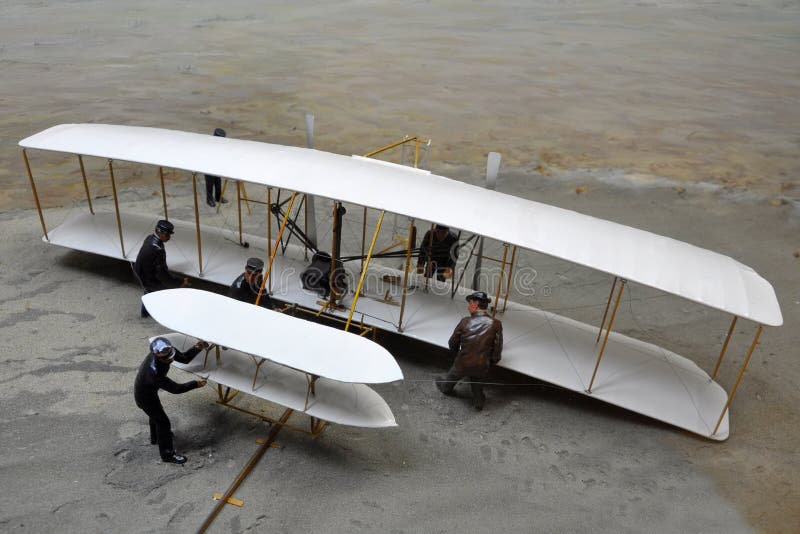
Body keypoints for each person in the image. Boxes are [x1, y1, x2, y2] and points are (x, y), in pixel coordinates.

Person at [134, 337, 209, 464]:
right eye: (168, 359)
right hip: (144, 397)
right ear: (158, 357)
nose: (172, 359)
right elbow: (175, 389)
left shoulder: (169, 352)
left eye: (172, 355)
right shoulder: (154, 372)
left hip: (150, 391)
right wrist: (194, 384)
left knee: (156, 415)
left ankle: (156, 438)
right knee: (163, 422)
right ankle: (167, 455)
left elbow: (184, 358)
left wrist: (197, 347)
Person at [435, 291, 503, 410]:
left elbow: (452, 343)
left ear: (475, 304)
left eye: (469, 303)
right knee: (477, 385)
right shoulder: (496, 324)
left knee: (447, 385)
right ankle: (478, 401)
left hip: (462, 363)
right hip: (481, 365)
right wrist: (491, 362)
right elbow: (497, 349)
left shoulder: (465, 322)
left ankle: (447, 388)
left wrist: (457, 355)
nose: (468, 307)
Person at [133, 220, 188, 318]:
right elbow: (162, 273)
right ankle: (160, 314)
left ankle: (146, 311)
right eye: (167, 235)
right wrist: (179, 282)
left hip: (139, 270)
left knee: (149, 291)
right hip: (146, 276)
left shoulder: (149, 238)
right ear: (160, 233)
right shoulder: (158, 249)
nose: (169, 238)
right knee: (163, 292)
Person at [205, 127, 228, 207]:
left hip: (216, 167)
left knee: (218, 183)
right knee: (210, 184)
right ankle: (209, 199)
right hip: (208, 167)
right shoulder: (209, 144)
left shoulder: (220, 145)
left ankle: (218, 197)